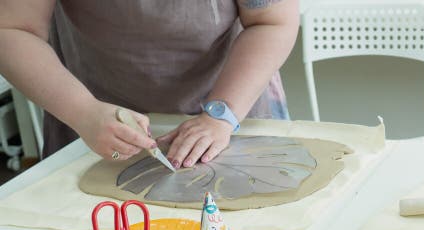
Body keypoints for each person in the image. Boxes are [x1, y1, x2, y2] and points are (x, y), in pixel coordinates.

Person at [0, 0, 299, 167]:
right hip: (93, 121)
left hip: (232, 110)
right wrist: (84, 112)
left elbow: (271, 21)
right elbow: (12, 29)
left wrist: (221, 115)